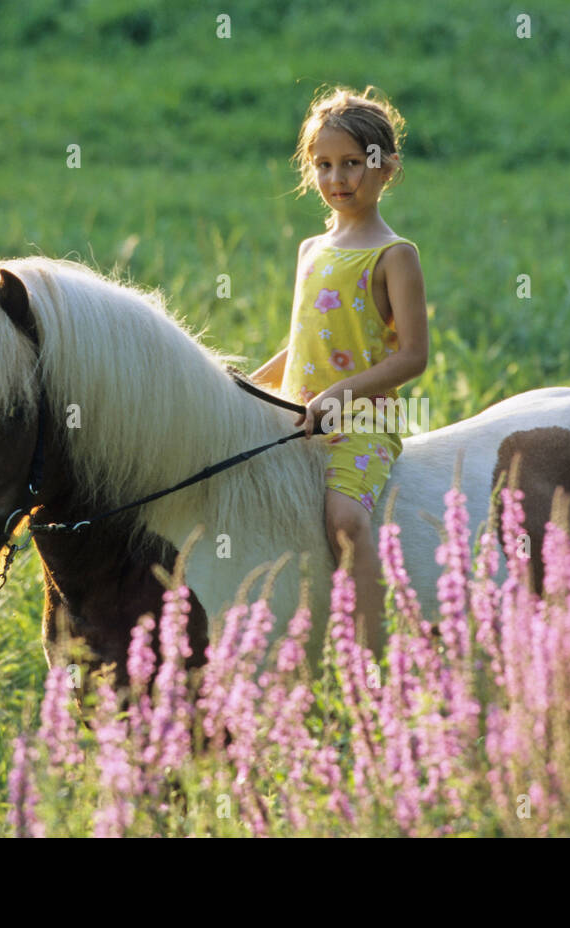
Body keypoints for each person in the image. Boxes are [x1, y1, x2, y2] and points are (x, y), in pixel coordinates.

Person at [251, 85, 428, 655]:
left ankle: (372, 661)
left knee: (346, 521)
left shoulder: (395, 255)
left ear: (387, 168)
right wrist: (251, 384)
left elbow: (412, 357)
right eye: (324, 165)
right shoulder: (310, 249)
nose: (338, 178)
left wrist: (342, 394)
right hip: (299, 418)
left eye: (353, 163)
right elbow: (302, 344)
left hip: (360, 423)